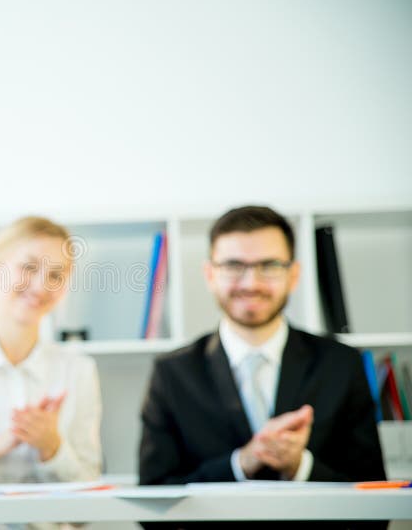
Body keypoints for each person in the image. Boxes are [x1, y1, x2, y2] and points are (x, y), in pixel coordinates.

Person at [138, 205, 385, 486]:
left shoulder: (341, 364)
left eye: (269, 266)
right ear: (210, 275)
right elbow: (154, 493)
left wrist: (300, 467)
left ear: (293, 275)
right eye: (233, 266)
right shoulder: (172, 373)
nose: (251, 283)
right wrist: (241, 463)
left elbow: (373, 494)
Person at [0, 217, 102, 494]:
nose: (41, 286)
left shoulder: (78, 370)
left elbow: (89, 490)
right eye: (28, 267)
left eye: (56, 275)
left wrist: (53, 448)